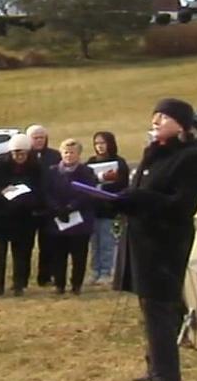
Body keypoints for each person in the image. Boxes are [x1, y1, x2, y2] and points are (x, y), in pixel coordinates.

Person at [111, 98, 197, 381]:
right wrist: (121, 199)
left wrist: (142, 200)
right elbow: (140, 191)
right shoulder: (153, 154)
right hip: (142, 241)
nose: (156, 122)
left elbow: (183, 205)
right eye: (154, 116)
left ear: (182, 126)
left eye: (164, 117)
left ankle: (168, 378)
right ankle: (154, 368)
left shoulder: (190, 159)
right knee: (149, 306)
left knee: (161, 308)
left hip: (166, 244)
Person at [0, 134, 42, 297]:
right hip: (2, 214)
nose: (19, 157)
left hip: (24, 215)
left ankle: (18, 285)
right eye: (16, 154)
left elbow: (39, 188)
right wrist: (3, 191)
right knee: (1, 253)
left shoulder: (35, 164)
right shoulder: (0, 162)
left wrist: (27, 196)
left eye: (23, 154)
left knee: (21, 252)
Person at [46, 139, 99, 295]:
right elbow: (46, 192)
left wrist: (71, 207)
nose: (69, 155)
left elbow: (88, 193)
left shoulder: (87, 172)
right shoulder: (52, 171)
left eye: (72, 153)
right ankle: (59, 285)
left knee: (79, 255)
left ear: (79, 154)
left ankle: (76, 285)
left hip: (80, 219)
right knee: (58, 255)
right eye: (66, 152)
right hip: (58, 219)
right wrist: (56, 208)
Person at [85, 131, 130, 285]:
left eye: (102, 143)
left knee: (107, 241)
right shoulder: (91, 162)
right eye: (97, 143)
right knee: (94, 243)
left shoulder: (119, 162)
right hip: (93, 208)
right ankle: (95, 271)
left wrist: (105, 186)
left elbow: (122, 185)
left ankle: (106, 271)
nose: (100, 146)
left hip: (110, 208)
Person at [26, 124, 62, 287]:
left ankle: (46, 277)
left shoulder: (55, 156)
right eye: (36, 138)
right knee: (25, 246)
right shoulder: (24, 156)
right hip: (28, 208)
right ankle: (22, 279)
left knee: (48, 245)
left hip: (49, 207)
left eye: (42, 137)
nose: (39, 140)